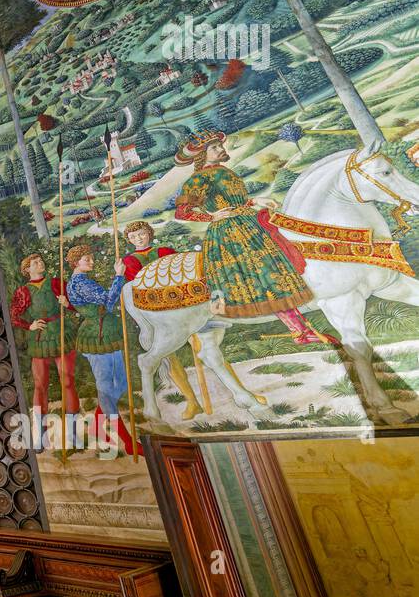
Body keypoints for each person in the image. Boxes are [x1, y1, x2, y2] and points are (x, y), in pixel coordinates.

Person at [174, 131, 336, 345]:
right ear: (201, 155)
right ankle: (300, 332)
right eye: (214, 148)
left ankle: (303, 328)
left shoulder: (223, 171)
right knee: (266, 275)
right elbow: (182, 212)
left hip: (249, 223)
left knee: (278, 268)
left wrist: (256, 200)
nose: (221, 149)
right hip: (231, 233)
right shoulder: (199, 178)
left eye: (219, 146)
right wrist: (210, 216)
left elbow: (236, 201)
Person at [121, 221, 204, 420]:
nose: (138, 239)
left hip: (183, 306)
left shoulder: (164, 250)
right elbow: (138, 285)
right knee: (169, 358)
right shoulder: (130, 261)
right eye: (133, 237)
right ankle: (192, 401)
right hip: (157, 314)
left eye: (141, 234)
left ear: (148, 233)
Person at [65, 244, 140, 457]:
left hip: (105, 332)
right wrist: (118, 276)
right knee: (106, 388)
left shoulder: (82, 281)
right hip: (96, 336)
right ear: (75, 263)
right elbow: (108, 301)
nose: (91, 262)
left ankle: (96, 425)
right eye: (86, 259)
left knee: (121, 383)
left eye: (91, 258)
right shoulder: (79, 283)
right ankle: (128, 442)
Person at [9, 253, 77, 452]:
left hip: (61, 332)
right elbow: (14, 315)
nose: (40, 264)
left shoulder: (56, 283)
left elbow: (76, 304)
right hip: (38, 339)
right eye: (35, 262)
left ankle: (72, 432)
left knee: (67, 380)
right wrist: (28, 325)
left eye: (40, 260)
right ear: (27, 269)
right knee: (40, 386)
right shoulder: (23, 291)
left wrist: (67, 304)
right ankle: (41, 435)